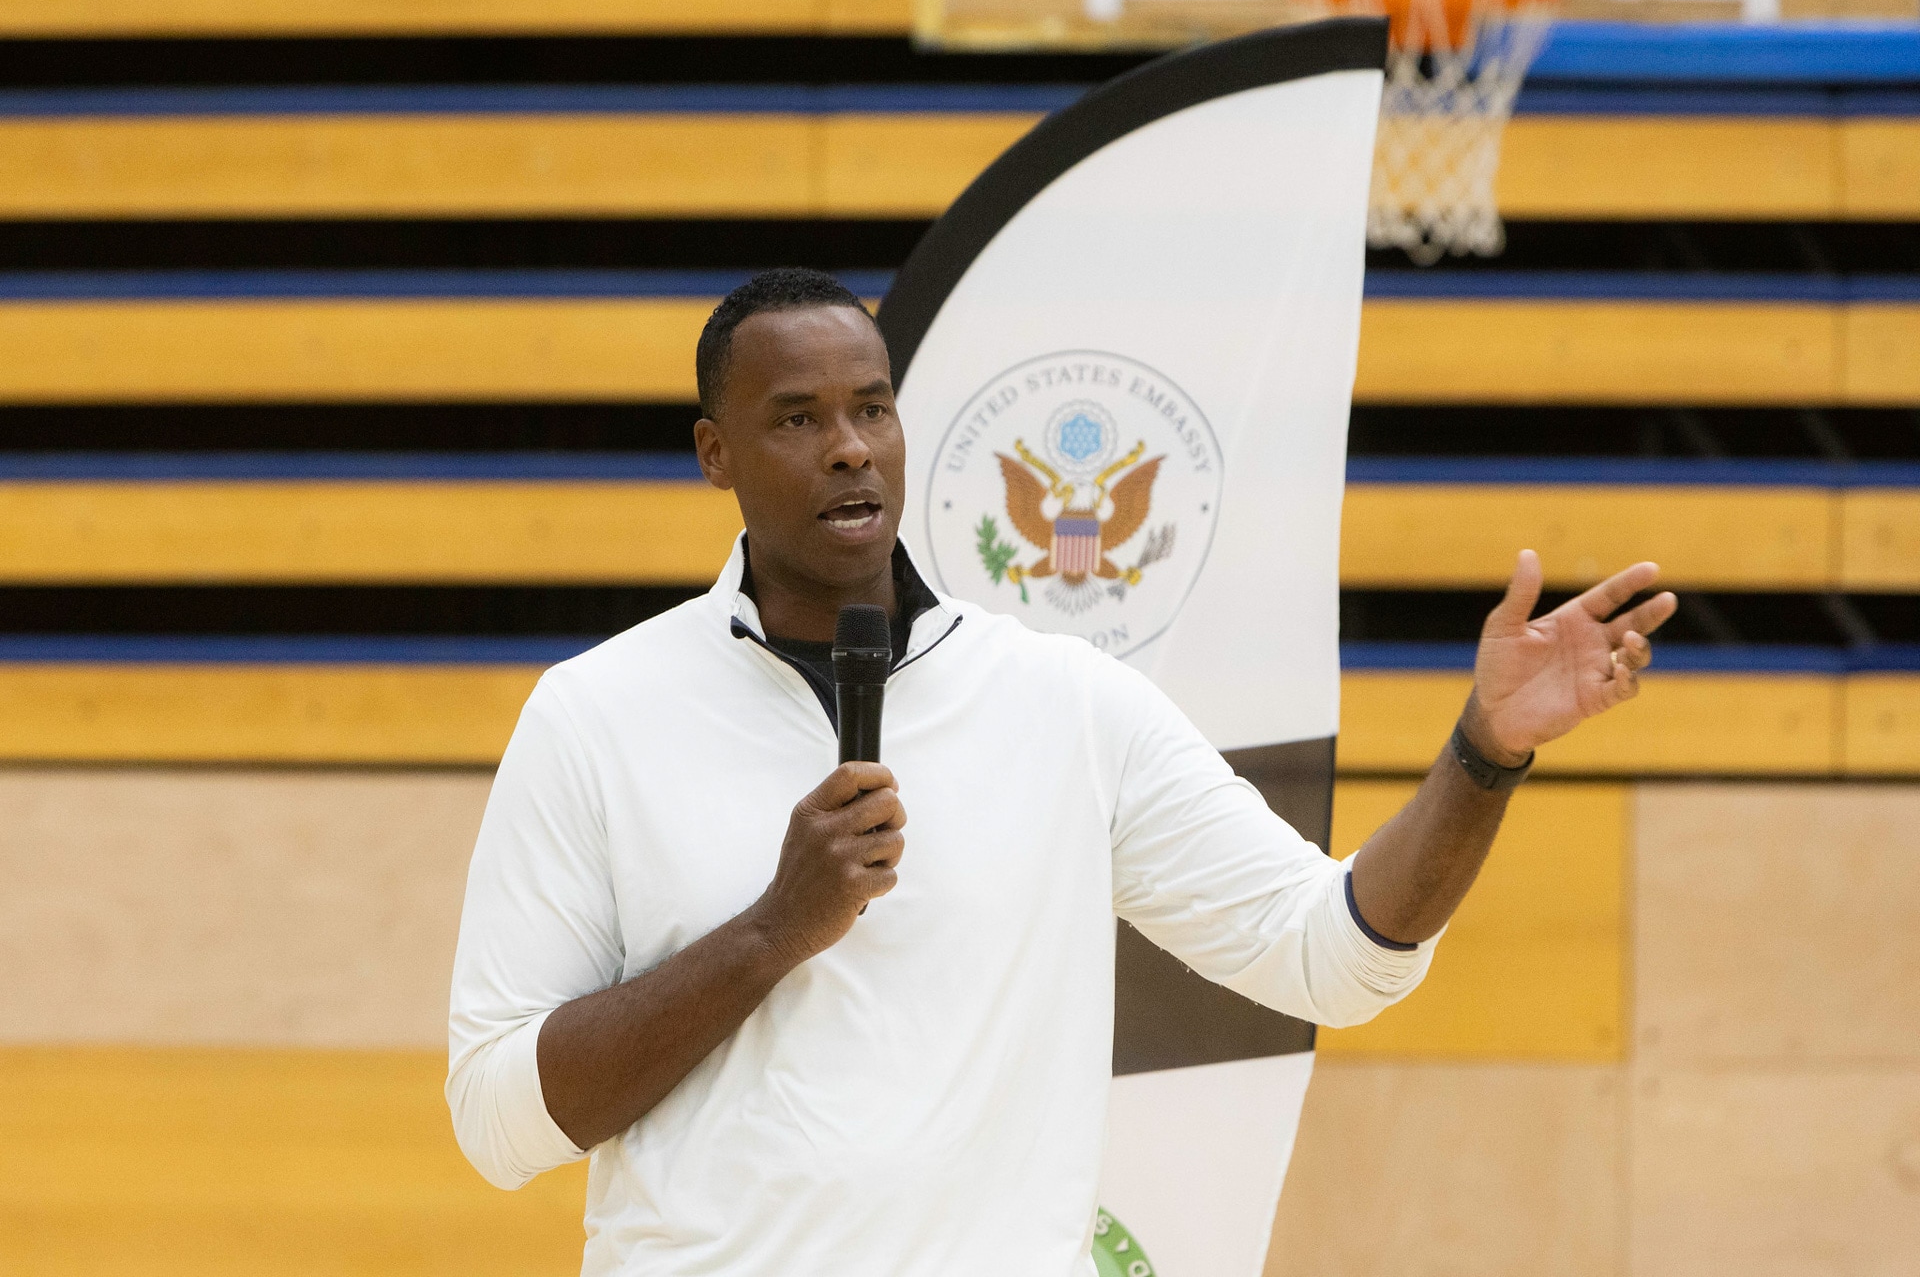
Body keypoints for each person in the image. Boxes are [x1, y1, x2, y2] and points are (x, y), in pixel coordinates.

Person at [446, 268, 1675, 1275]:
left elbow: (1334, 954)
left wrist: (1484, 751)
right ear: (715, 453)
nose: (849, 450)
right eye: (798, 418)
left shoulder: (1063, 704)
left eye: (872, 408)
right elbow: (498, 1121)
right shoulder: (597, 715)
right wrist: (772, 930)